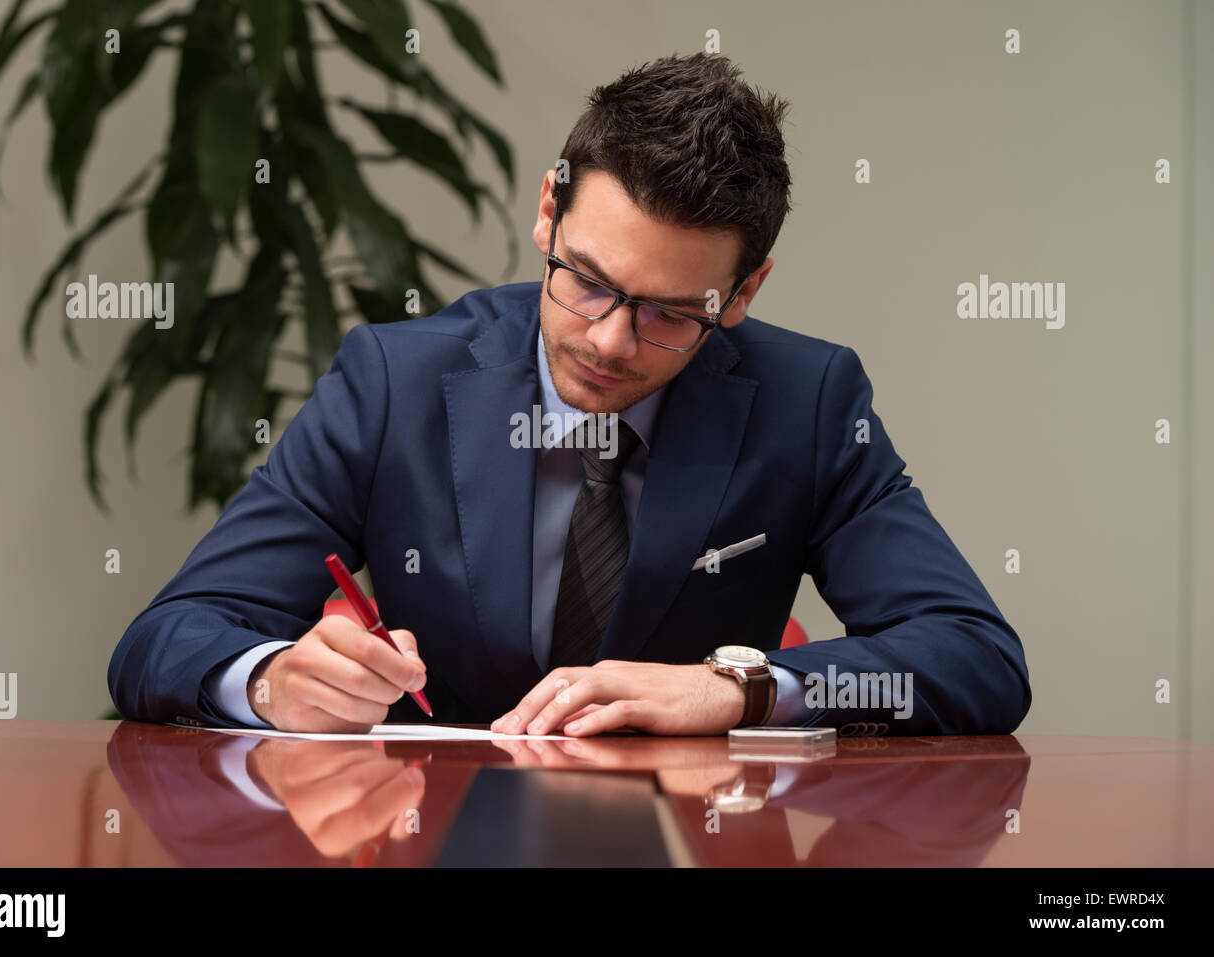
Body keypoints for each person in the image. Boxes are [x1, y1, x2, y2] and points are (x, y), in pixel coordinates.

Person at [108, 52, 1031, 738]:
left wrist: (739, 686)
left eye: (671, 312)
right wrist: (270, 681)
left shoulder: (809, 401)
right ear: (548, 210)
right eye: (586, 280)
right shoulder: (395, 381)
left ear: (744, 293)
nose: (609, 340)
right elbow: (162, 639)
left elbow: (974, 657)